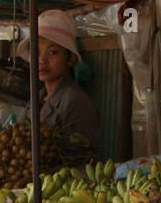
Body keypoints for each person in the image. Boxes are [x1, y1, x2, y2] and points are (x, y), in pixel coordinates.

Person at [17, 9, 100, 149]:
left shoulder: (76, 103)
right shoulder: (37, 98)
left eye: (52, 52)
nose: (42, 60)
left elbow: (80, 157)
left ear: (70, 59)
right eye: (36, 52)